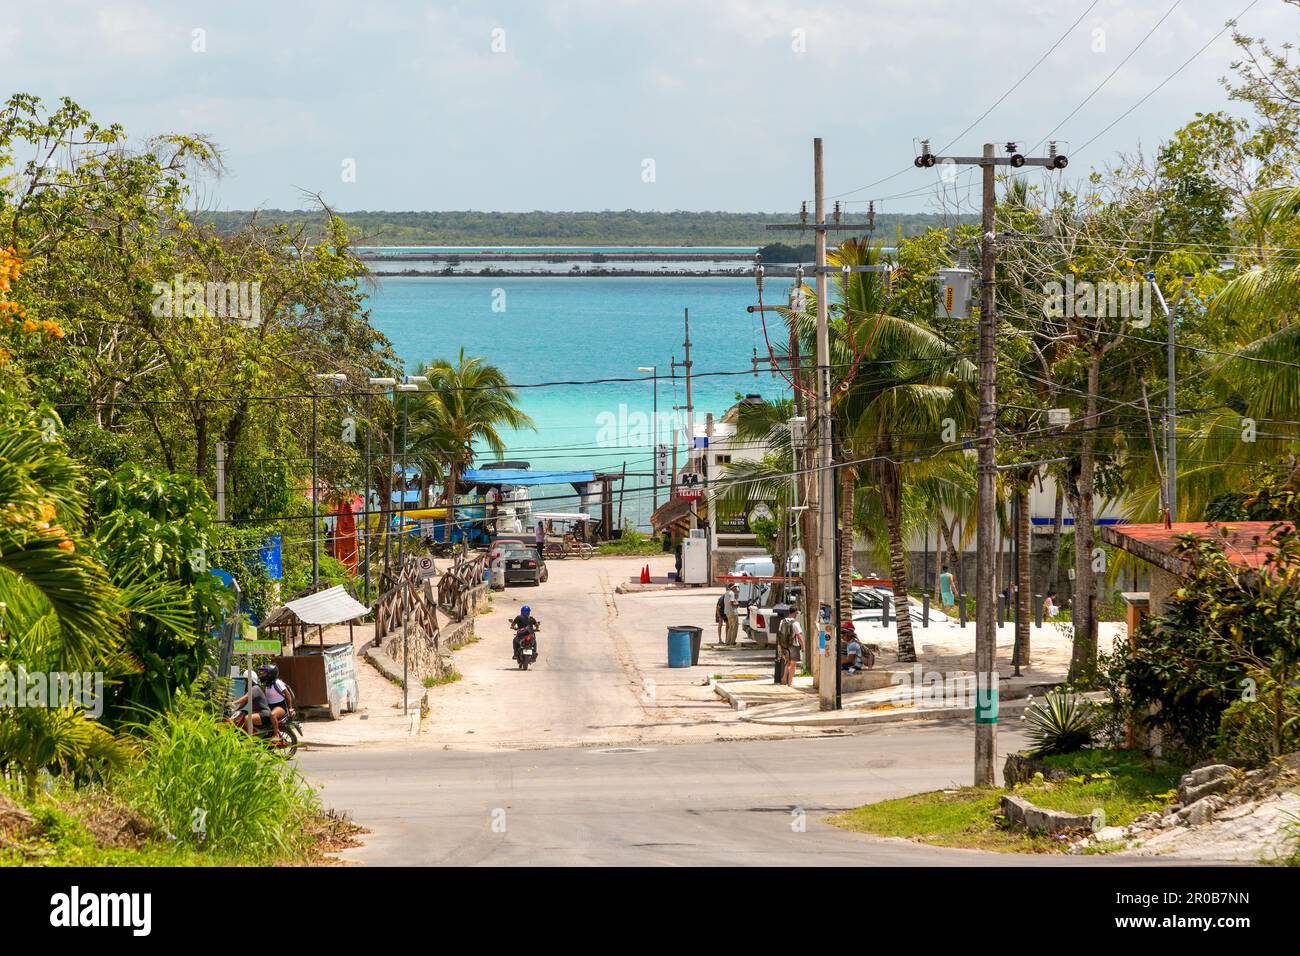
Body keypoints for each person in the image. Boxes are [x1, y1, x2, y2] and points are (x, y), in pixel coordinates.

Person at [229, 671, 272, 737]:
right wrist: (235, 710)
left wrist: (233, 702)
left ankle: (251, 738)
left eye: (246, 680)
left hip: (264, 714)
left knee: (247, 718)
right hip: (258, 713)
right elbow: (244, 702)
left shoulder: (255, 688)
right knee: (243, 714)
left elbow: (245, 698)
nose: (245, 681)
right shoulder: (251, 689)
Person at [259, 663, 295, 738]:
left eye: (265, 673)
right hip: (270, 706)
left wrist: (290, 708)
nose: (263, 674)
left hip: (280, 706)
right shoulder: (267, 684)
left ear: (270, 674)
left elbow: (287, 695)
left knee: (273, 715)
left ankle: (276, 734)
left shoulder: (278, 682)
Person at [776, 602, 803, 686]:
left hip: (784, 645)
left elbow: (780, 633)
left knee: (788, 662)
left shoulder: (782, 621)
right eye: (797, 613)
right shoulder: (796, 623)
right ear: (795, 612)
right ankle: (790, 682)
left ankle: (784, 679)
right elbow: (799, 636)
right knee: (793, 664)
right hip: (794, 645)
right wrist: (803, 646)